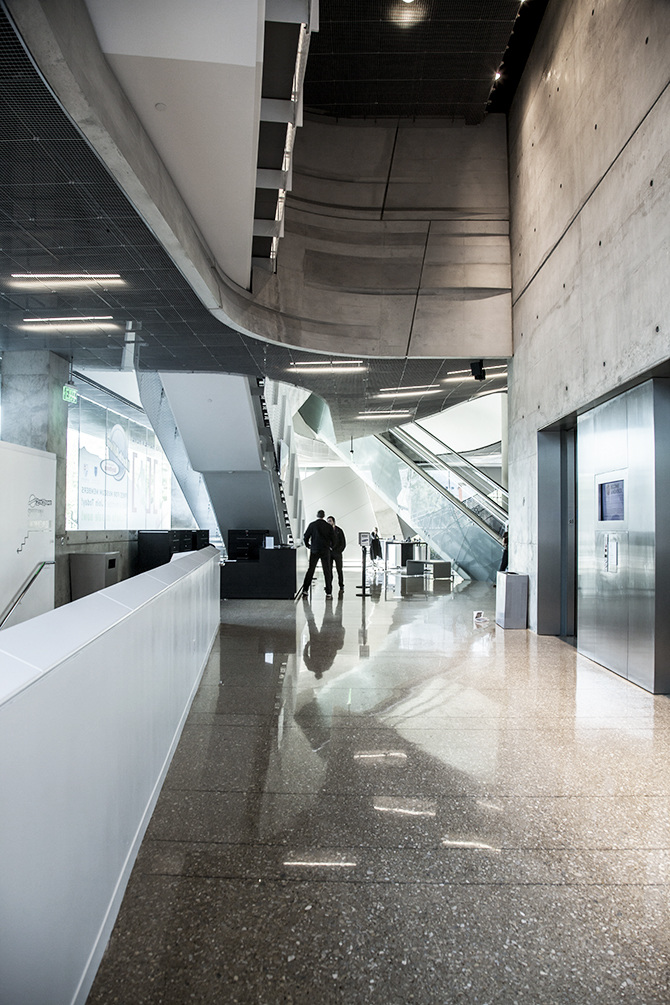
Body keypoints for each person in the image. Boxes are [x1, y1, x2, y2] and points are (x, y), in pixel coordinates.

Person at [301, 509, 335, 597]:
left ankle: (305, 589)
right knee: (327, 571)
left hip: (315, 550)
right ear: (324, 516)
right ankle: (329, 591)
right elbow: (333, 538)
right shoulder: (328, 526)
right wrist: (331, 546)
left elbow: (306, 536)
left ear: (317, 515)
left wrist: (308, 545)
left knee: (311, 569)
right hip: (325, 550)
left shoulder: (312, 525)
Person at [327, 515, 346, 594]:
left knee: (339, 570)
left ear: (333, 522)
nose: (328, 522)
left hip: (337, 553)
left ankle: (341, 585)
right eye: (327, 521)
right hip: (329, 553)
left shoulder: (339, 530)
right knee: (328, 570)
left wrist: (339, 551)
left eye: (330, 521)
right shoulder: (326, 531)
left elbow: (343, 543)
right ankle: (328, 585)